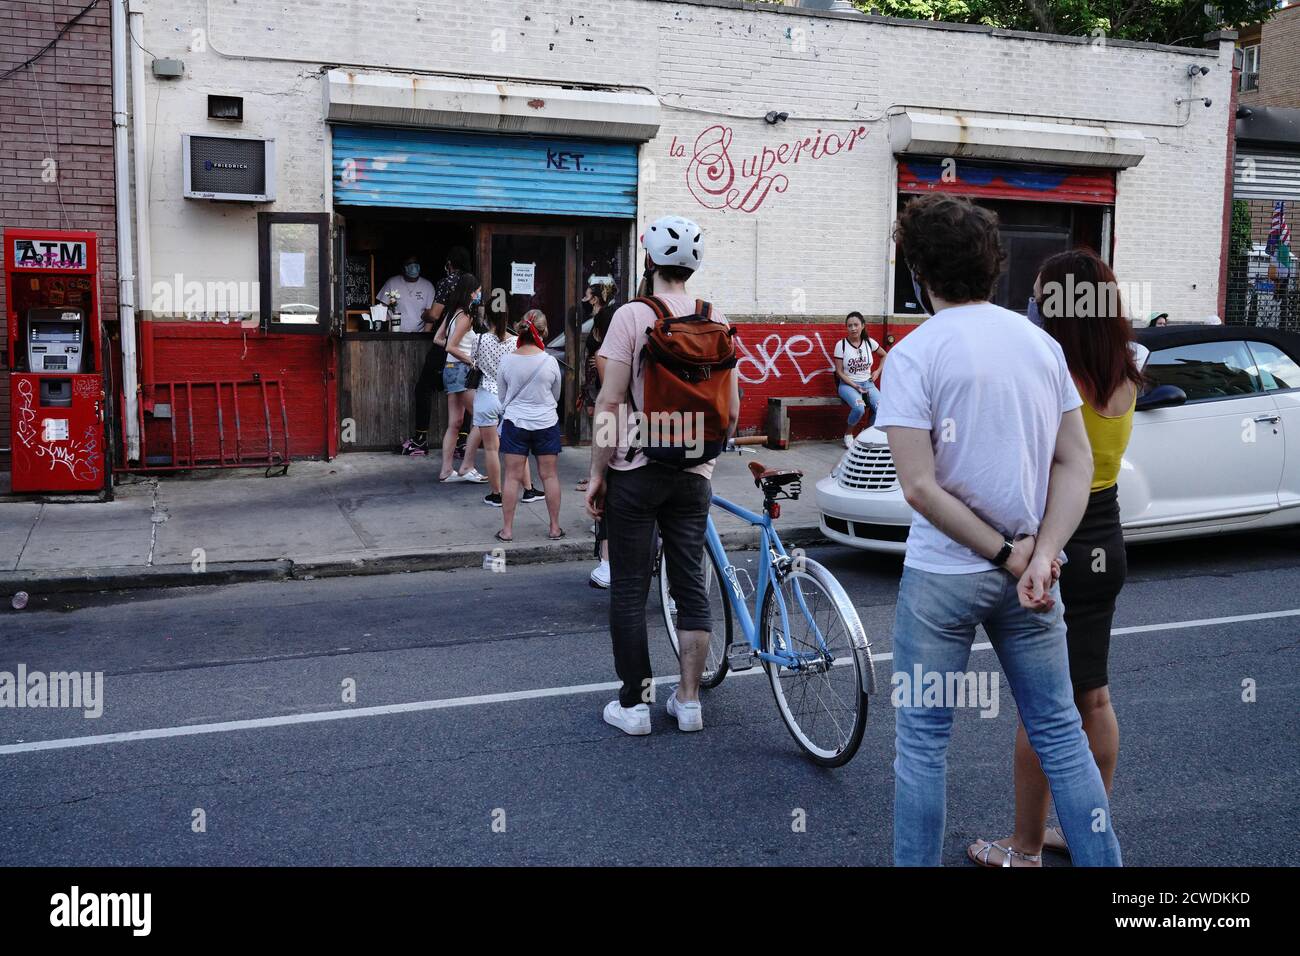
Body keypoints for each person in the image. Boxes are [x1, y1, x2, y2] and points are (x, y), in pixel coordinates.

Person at [877, 194, 1121, 867]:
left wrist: (1009, 555)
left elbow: (920, 486)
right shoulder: (1039, 345)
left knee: (923, 747)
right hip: (1033, 579)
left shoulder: (914, 353)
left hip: (944, 579)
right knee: (1061, 735)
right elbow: (1074, 461)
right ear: (994, 267)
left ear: (919, 272)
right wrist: (1041, 555)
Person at [968, 249, 1143, 867]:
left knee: (1043, 707)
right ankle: (1084, 824)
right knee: (1092, 695)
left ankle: (1024, 846)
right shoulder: (1127, 367)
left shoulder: (1050, 375)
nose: (1032, 305)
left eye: (1042, 295)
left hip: (1057, 539)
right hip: (1107, 537)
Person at [586, 214, 739, 737]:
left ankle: (634, 706)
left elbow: (609, 401)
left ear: (649, 260)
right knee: (690, 584)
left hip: (638, 467)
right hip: (695, 471)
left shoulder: (631, 316)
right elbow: (734, 409)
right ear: (692, 268)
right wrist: (705, 461)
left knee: (629, 587)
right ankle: (689, 701)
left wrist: (598, 474)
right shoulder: (715, 316)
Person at [496, 310, 564, 541]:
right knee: (550, 476)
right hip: (546, 423)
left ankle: (507, 530)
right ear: (544, 332)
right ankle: (554, 527)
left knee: (512, 477)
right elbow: (556, 396)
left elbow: (502, 397)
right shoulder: (550, 362)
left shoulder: (507, 360)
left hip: (515, 423)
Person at [397, 247, 471, 457]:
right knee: (463, 391)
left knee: (424, 388)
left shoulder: (447, 282)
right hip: (467, 344)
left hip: (446, 343)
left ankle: (420, 440)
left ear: (450, 263)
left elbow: (435, 314)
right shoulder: (474, 283)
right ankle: (462, 442)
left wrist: (426, 315)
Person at [577, 280, 618, 588]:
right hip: (598, 384)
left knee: (601, 429)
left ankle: (607, 562)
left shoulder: (607, 324)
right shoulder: (599, 321)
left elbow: (609, 392)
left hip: (605, 391)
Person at [433, 273, 487, 484]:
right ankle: (467, 466)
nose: (479, 294)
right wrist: (470, 360)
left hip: (450, 368)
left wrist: (456, 353)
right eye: (478, 291)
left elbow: (439, 339)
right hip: (462, 370)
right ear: (471, 292)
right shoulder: (466, 316)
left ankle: (447, 471)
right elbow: (450, 345)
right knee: (483, 418)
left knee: (455, 422)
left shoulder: (452, 314)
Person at [833, 310, 887, 448]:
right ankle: (848, 434)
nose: (853, 328)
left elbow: (884, 355)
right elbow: (839, 372)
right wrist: (855, 386)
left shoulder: (869, 342)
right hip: (848, 384)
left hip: (868, 384)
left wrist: (878, 371)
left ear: (863, 325)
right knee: (859, 408)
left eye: (856, 325)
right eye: (849, 325)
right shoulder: (842, 345)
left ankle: (867, 434)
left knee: (882, 408)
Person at [377, 254, 436, 334]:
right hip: (393, 334)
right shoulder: (392, 282)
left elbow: (430, 315)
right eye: (409, 264)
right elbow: (382, 308)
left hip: (418, 334)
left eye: (415, 263)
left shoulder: (428, 286)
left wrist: (424, 335)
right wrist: (388, 330)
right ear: (402, 267)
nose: (413, 267)